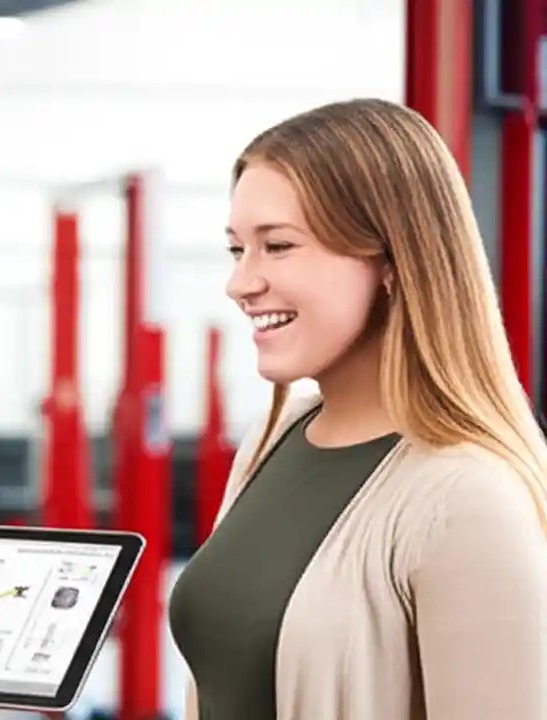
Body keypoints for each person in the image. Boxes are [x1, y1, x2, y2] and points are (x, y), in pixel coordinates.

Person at [168, 97, 547, 719]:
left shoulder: (467, 496)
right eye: (239, 250)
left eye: (279, 246)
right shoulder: (275, 438)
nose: (241, 283)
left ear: (393, 261)